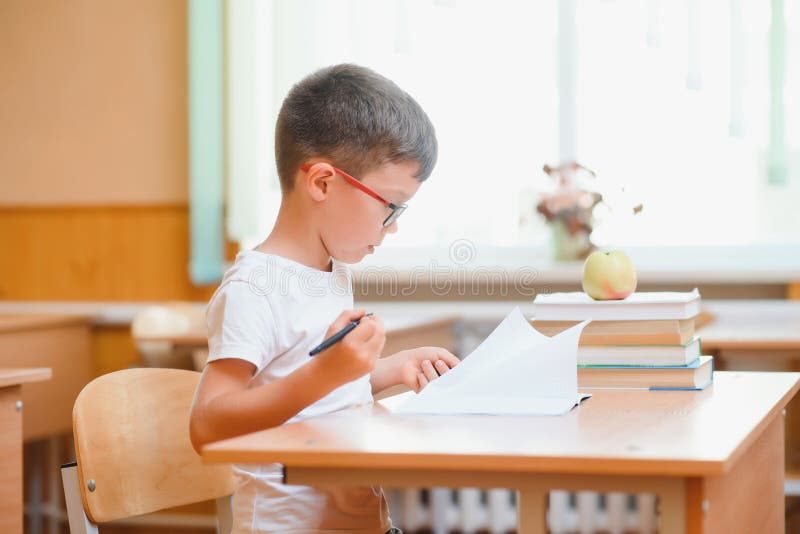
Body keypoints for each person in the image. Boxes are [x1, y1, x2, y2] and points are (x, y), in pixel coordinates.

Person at [189, 63, 459, 533]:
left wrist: (386, 372)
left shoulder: (330, 273)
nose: (393, 225)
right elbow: (209, 425)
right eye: (389, 205)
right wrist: (328, 371)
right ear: (321, 183)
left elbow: (313, 397)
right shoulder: (254, 288)